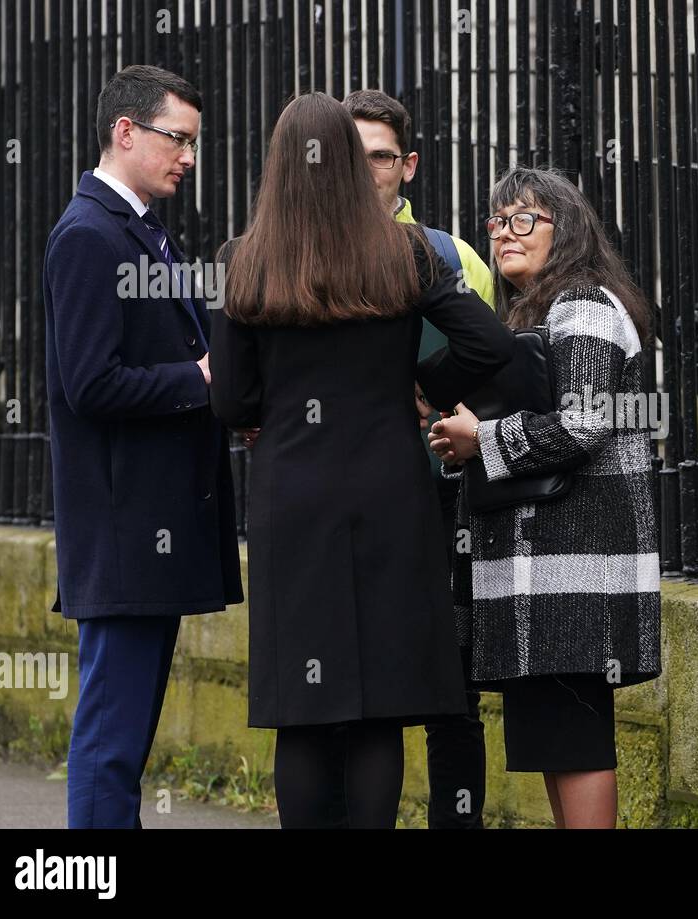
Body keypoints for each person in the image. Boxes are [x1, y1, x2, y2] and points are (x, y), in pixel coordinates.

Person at [208, 92, 513, 829]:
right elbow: (491, 345)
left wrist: (268, 417)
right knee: (380, 708)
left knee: (303, 714)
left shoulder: (242, 261)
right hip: (390, 494)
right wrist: (422, 388)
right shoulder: (405, 252)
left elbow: (232, 403)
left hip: (292, 495)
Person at [427, 165, 661, 829]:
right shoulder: (538, 310)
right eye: (497, 220)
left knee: (575, 741)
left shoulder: (584, 301)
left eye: (523, 218)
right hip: (544, 568)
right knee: (557, 740)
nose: (504, 232)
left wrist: (484, 439)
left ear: (568, 228)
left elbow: (585, 422)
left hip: (574, 564)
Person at [42, 65, 244, 829]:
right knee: (111, 739)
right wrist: (199, 377)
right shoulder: (88, 235)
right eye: (177, 139)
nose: (188, 156)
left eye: (192, 142)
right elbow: (90, 385)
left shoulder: (140, 229)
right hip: (125, 532)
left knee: (124, 734)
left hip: (149, 531)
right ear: (126, 132)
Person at [343, 88, 494, 829]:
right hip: (347, 508)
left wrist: (429, 397)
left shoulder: (447, 254)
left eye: (380, 156)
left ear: (407, 166)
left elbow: (499, 364)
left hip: (441, 501)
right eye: (351, 154)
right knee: (352, 693)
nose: (366, 171)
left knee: (452, 694)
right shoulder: (303, 246)